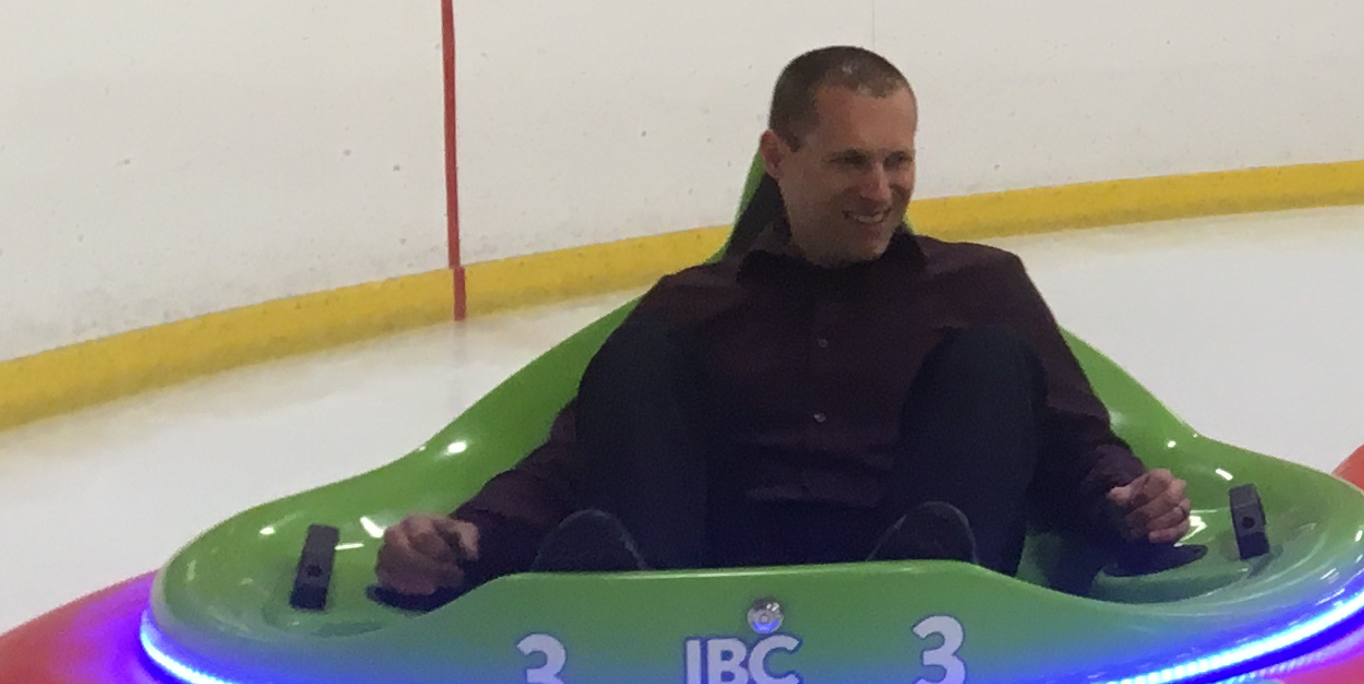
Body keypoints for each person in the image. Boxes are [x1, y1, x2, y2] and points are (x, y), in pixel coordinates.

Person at [372, 46, 1188, 598]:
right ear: (776, 156)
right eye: (849, 162)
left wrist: (1127, 499)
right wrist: (468, 537)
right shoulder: (695, 304)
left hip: (912, 580)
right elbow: (574, 461)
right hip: (706, 585)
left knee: (991, 362)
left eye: (896, 160)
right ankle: (620, 601)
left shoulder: (980, 283)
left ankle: (936, 577)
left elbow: (1076, 444)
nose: (879, 191)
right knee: (643, 358)